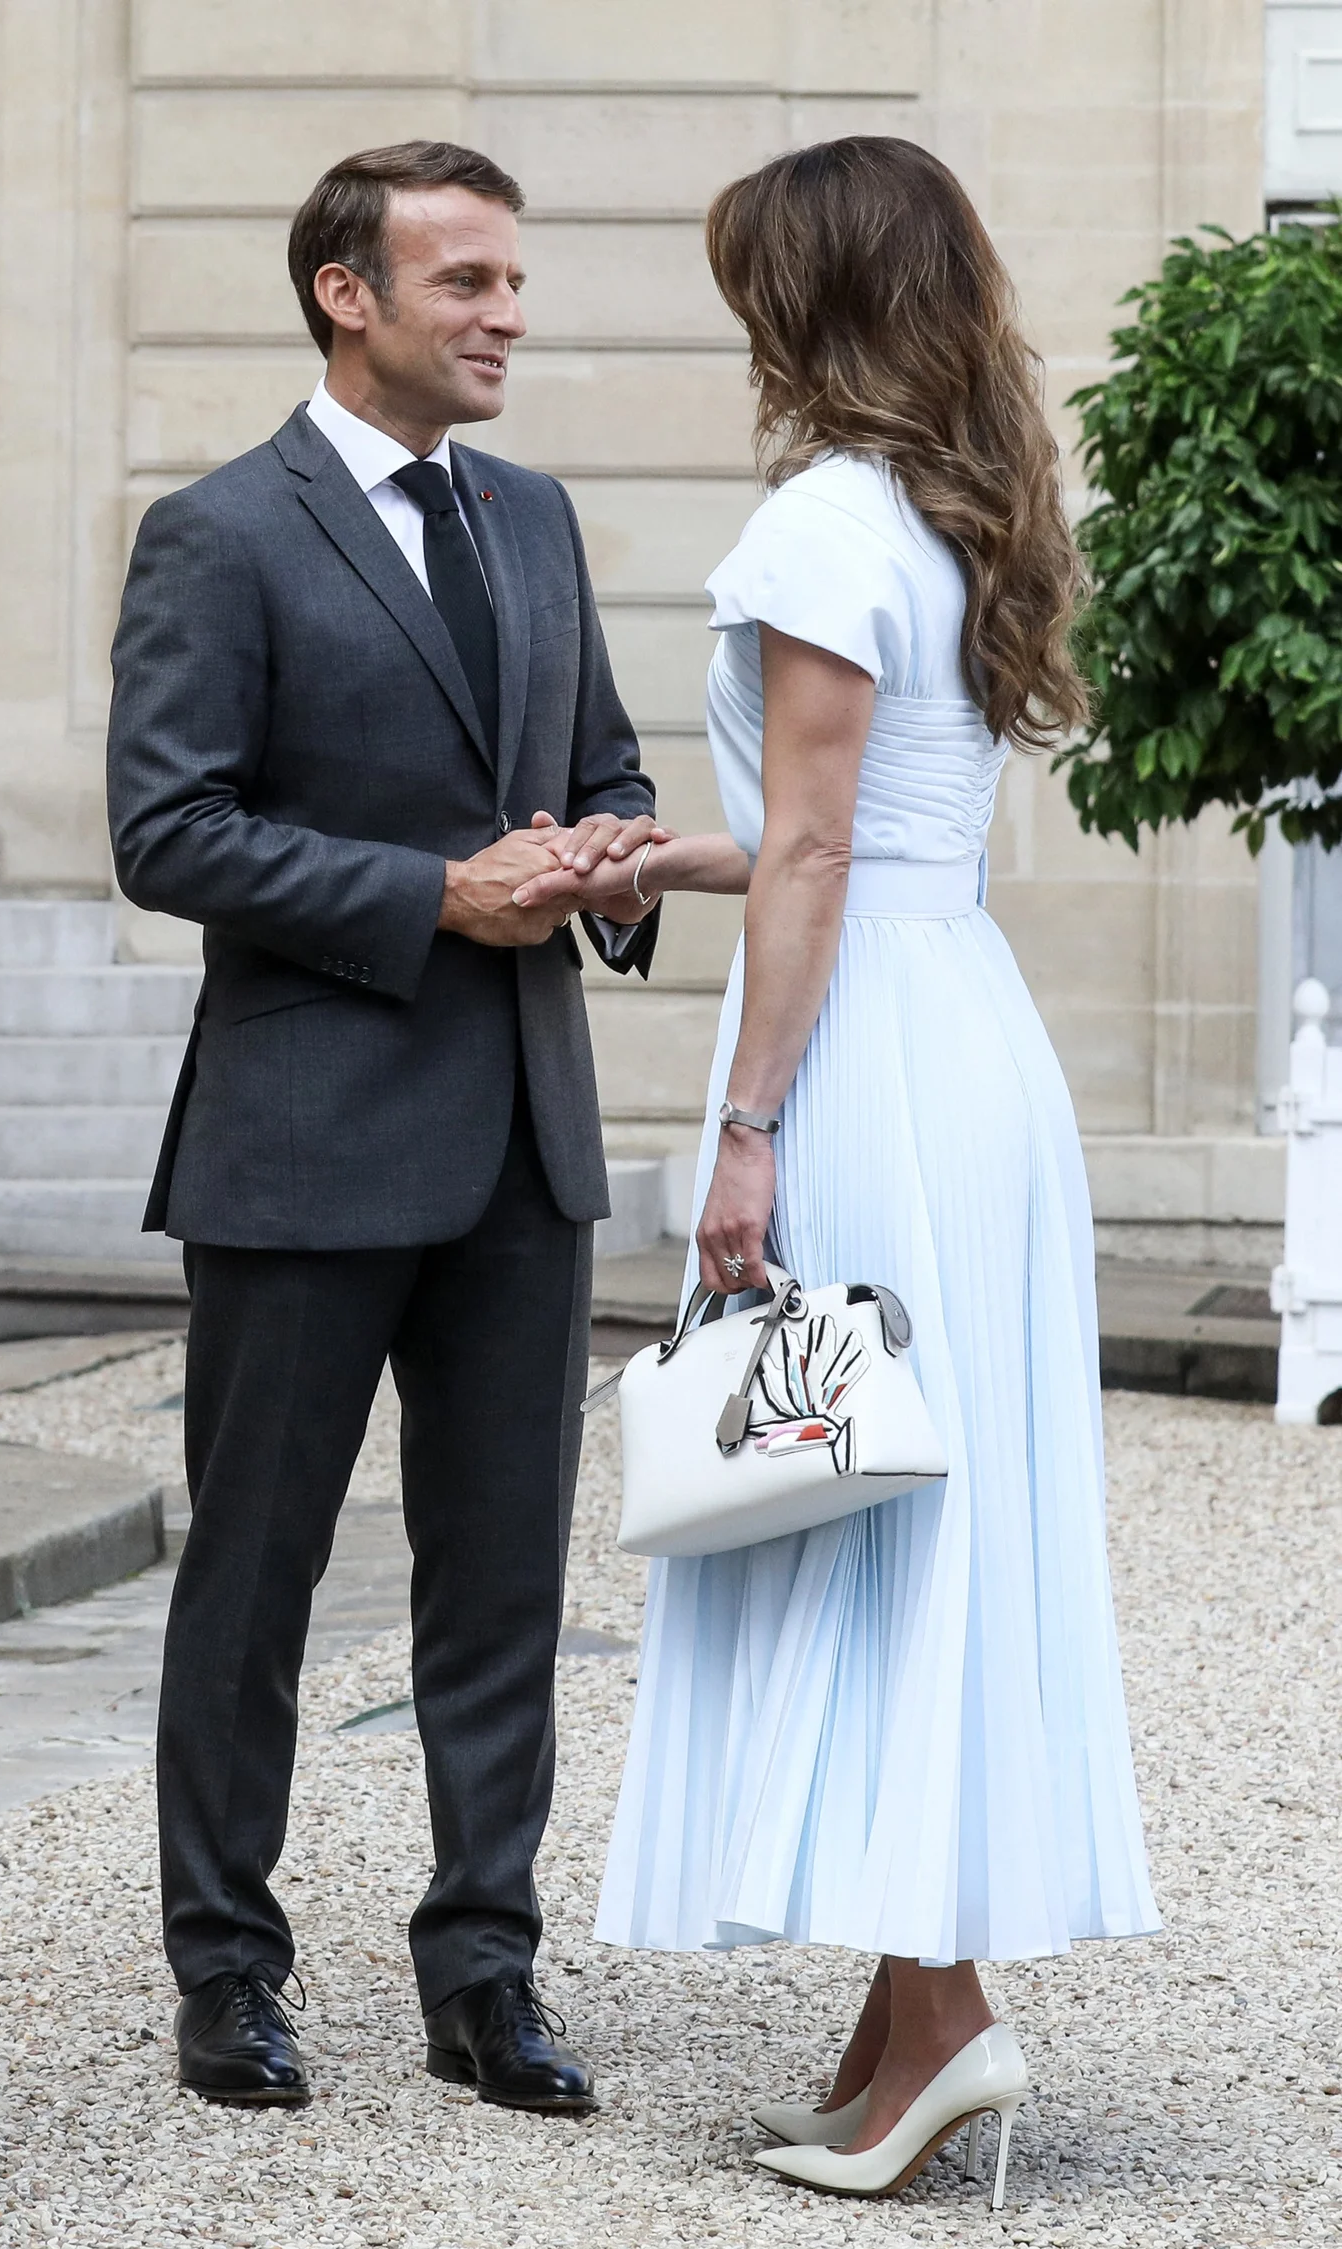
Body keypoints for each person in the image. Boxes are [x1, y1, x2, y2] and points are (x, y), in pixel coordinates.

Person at [518, 136, 1160, 2207]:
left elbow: (816, 849)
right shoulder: (958, 507)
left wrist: (747, 1124)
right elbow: (858, 828)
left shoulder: (819, 515)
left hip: (865, 1059)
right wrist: (661, 848)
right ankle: (908, 2015)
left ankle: (948, 2011)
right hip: (958, 1023)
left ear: (809, 295)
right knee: (910, 1526)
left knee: (862, 1521)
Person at [106, 140, 662, 2112]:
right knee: (251, 1579)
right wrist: (434, 892)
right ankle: (226, 1968)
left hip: (520, 1135)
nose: (511, 314)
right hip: (303, 1135)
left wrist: (609, 852)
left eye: (514, 281)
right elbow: (167, 832)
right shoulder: (218, 534)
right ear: (349, 294)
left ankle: (483, 1965)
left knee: (503, 1580)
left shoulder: (537, 515)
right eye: (471, 283)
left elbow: (599, 761)